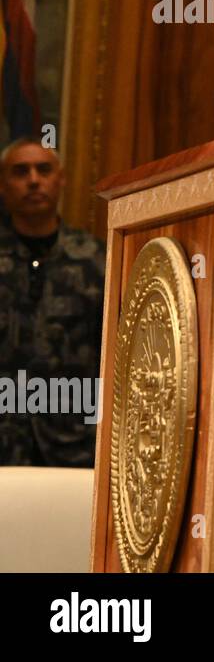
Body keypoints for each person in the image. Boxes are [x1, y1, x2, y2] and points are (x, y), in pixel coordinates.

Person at [0, 137, 106, 466]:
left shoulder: (98, 260)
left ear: (60, 180)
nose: (33, 180)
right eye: (20, 172)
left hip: (75, 444)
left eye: (43, 170)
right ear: (3, 186)